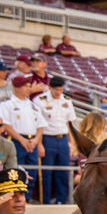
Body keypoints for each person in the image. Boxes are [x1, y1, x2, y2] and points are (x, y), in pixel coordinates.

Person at [0, 75, 44, 202]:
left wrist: (36, 141)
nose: (29, 88)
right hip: (16, 140)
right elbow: (6, 125)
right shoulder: (7, 104)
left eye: (29, 86)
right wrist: (21, 140)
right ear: (16, 88)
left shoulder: (33, 105)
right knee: (15, 169)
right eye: (26, 86)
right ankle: (15, 197)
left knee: (32, 171)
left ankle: (27, 198)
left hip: (32, 141)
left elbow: (40, 126)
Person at [33, 76, 77, 204]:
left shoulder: (66, 100)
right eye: (56, 90)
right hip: (47, 138)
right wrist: (39, 144)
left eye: (61, 90)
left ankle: (61, 200)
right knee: (46, 172)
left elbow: (69, 123)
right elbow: (37, 124)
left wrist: (72, 143)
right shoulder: (40, 100)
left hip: (63, 139)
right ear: (50, 88)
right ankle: (45, 201)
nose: (59, 92)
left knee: (62, 172)